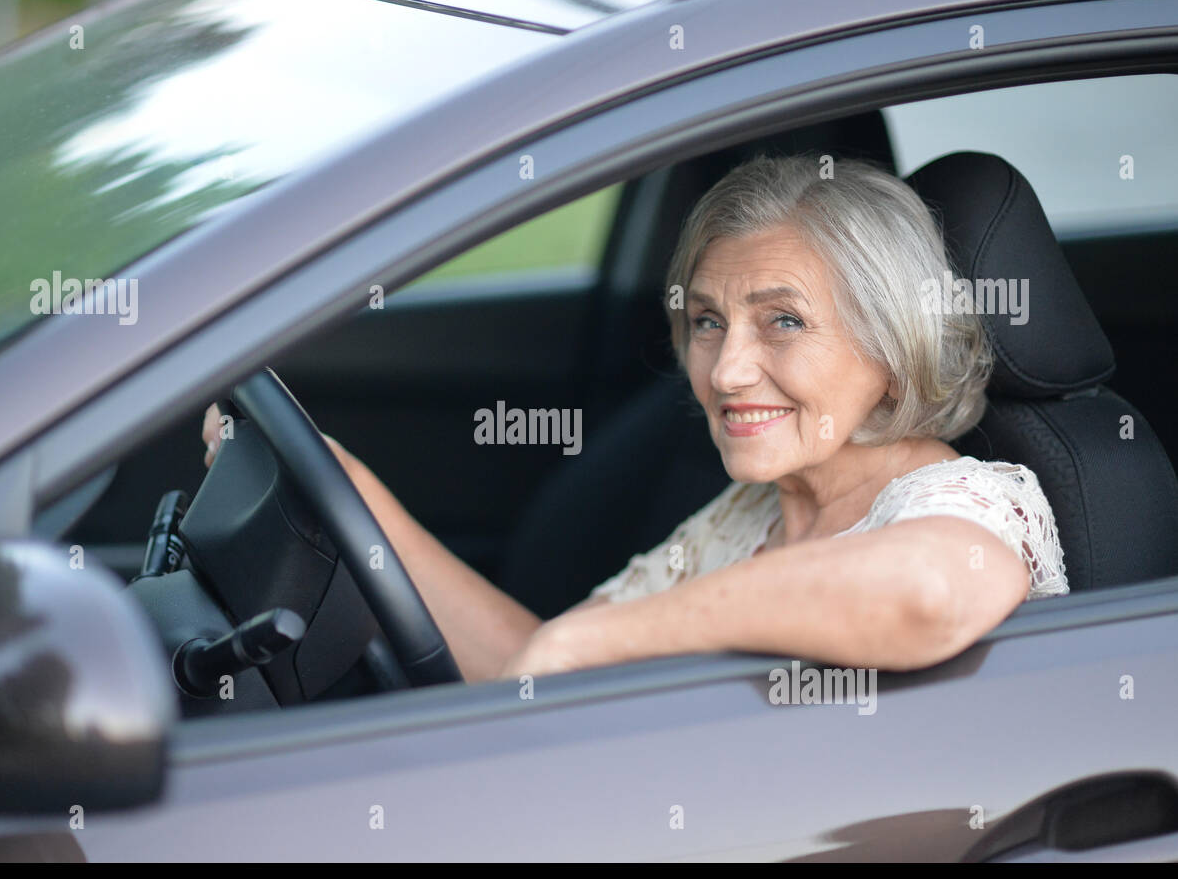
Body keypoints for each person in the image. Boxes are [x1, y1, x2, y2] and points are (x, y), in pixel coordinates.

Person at [202, 154, 1068, 682]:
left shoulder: (968, 497)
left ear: (890, 346)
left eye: (785, 321)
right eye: (705, 320)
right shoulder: (748, 517)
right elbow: (540, 664)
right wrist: (349, 491)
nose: (726, 370)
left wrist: (606, 636)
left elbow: (928, 592)